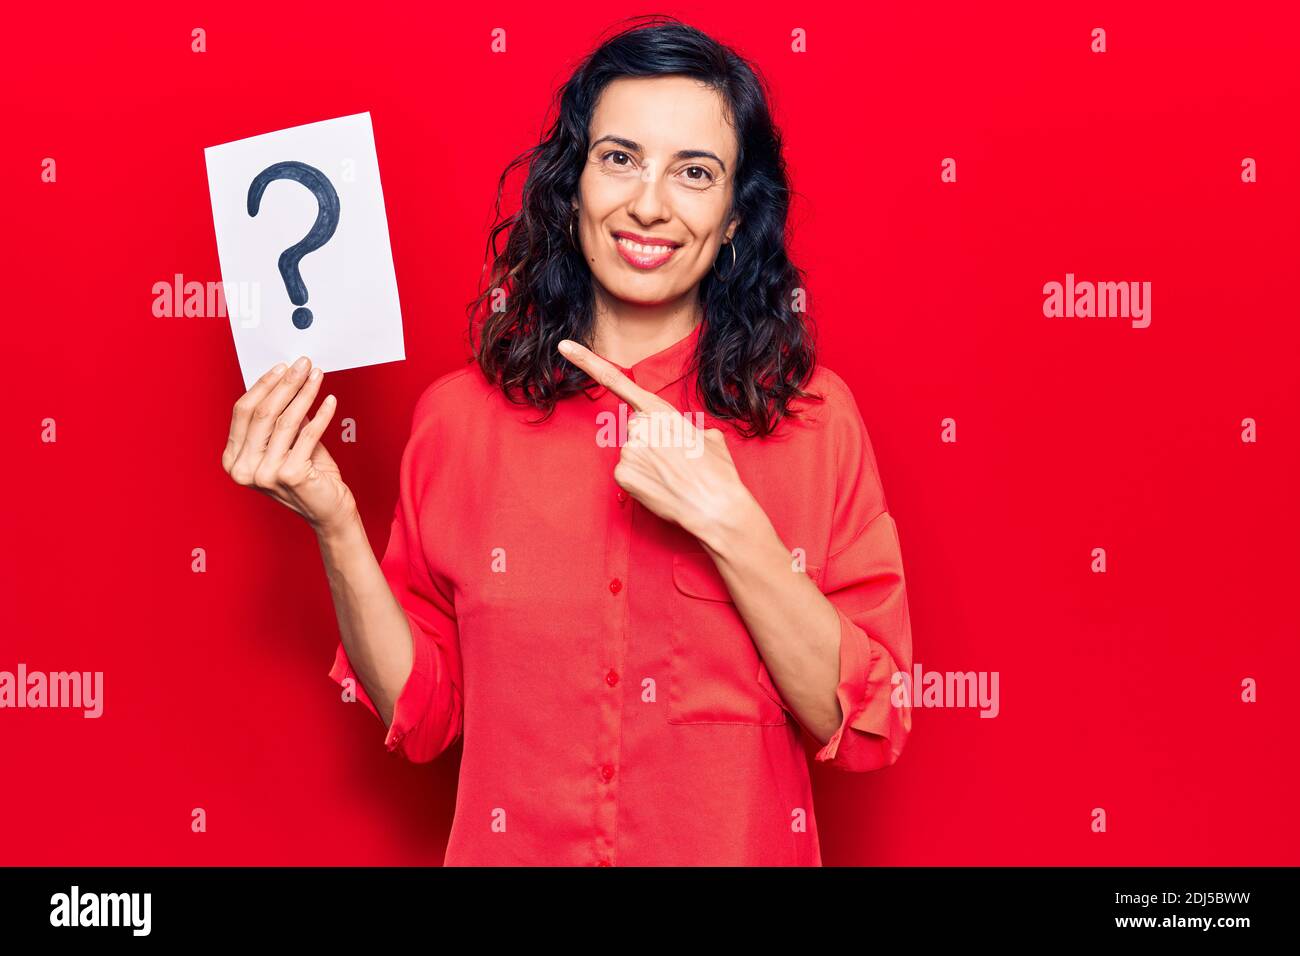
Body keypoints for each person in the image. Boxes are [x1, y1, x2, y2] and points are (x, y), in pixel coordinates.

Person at [221, 15, 913, 866]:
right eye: (619, 158)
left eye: (695, 173)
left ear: (736, 217)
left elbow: (867, 722)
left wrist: (731, 524)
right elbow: (425, 715)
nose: (649, 203)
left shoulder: (814, 421)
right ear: (573, 183)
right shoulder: (459, 420)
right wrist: (335, 527)